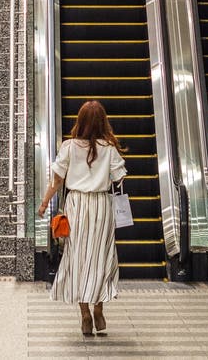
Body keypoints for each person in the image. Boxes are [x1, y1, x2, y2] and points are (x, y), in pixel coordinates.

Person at [38, 100, 127, 336]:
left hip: (76, 205)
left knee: (77, 258)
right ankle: (99, 308)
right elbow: (119, 179)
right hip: (100, 205)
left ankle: (85, 314)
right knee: (101, 258)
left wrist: (45, 202)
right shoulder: (109, 147)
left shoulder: (68, 147)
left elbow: (57, 181)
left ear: (80, 121)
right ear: (102, 122)